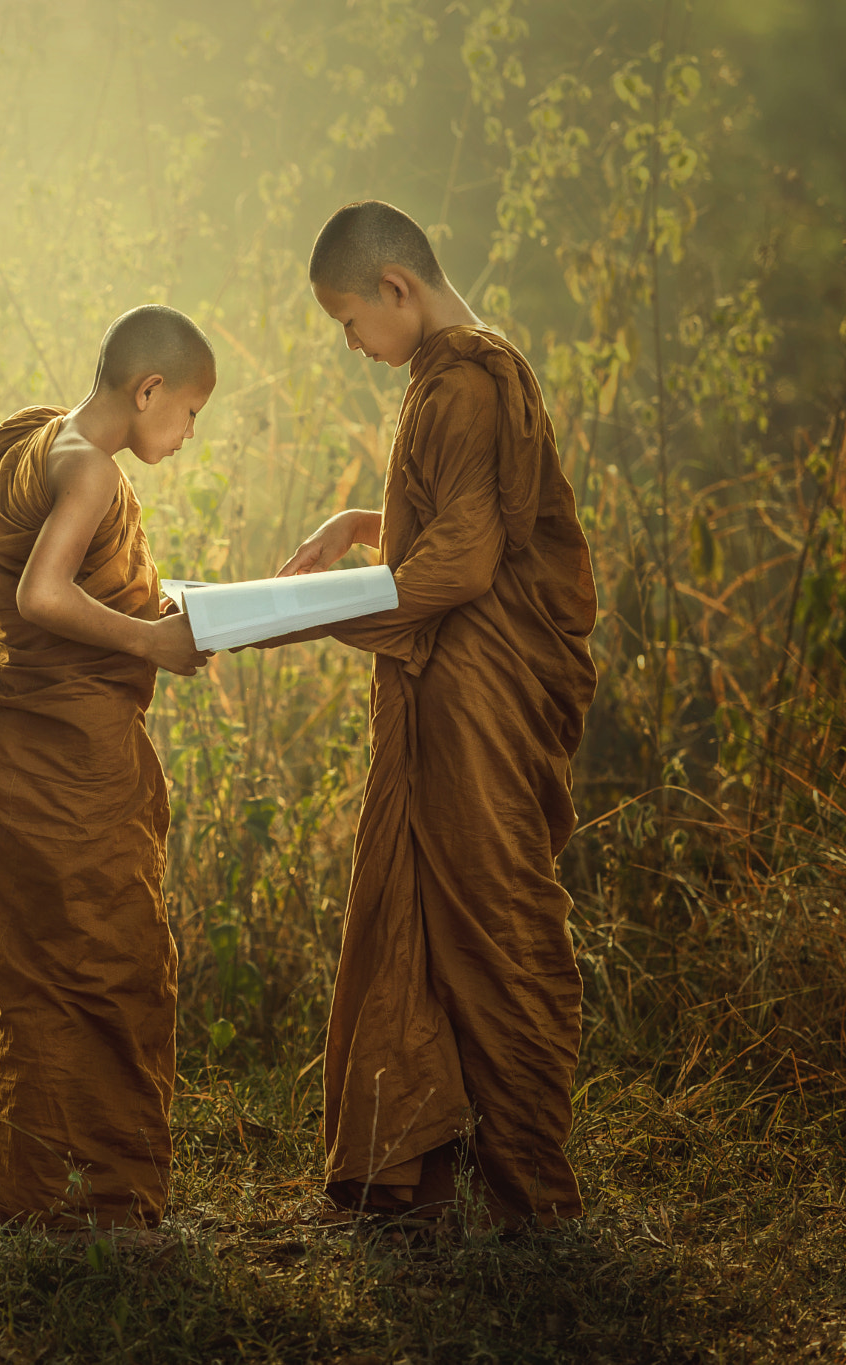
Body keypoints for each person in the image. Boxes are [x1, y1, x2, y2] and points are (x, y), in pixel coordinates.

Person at [273, 200, 598, 1231]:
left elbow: (457, 564)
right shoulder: (483, 363)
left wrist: (310, 612)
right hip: (451, 687)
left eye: (349, 321)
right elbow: (476, 512)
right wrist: (360, 521)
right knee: (429, 907)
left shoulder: (459, 384)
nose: (352, 344)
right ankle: (420, 1174)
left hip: (471, 694)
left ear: (395, 288)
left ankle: (526, 1185)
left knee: (492, 915)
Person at [0, 304, 216, 1231]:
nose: (188, 435)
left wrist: (166, 603)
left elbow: (73, 581)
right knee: (109, 953)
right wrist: (154, 640)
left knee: (32, 956)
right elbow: (42, 593)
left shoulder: (43, 441)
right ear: (149, 390)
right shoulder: (90, 468)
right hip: (65, 746)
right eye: (189, 413)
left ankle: (31, 1185)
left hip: (19, 731)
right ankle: (100, 1197)